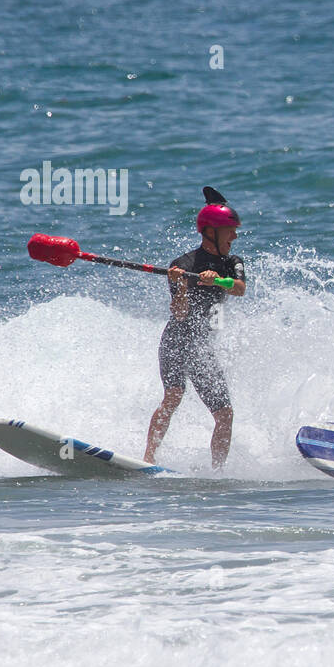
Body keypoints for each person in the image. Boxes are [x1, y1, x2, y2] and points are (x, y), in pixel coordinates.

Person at [144, 186, 246, 469]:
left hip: (202, 346)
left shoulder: (231, 263)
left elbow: (240, 289)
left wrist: (217, 281)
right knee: (174, 396)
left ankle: (217, 472)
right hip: (177, 340)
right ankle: (147, 459)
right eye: (230, 231)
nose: (235, 236)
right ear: (211, 231)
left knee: (225, 414)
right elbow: (179, 314)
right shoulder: (182, 265)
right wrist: (180, 285)